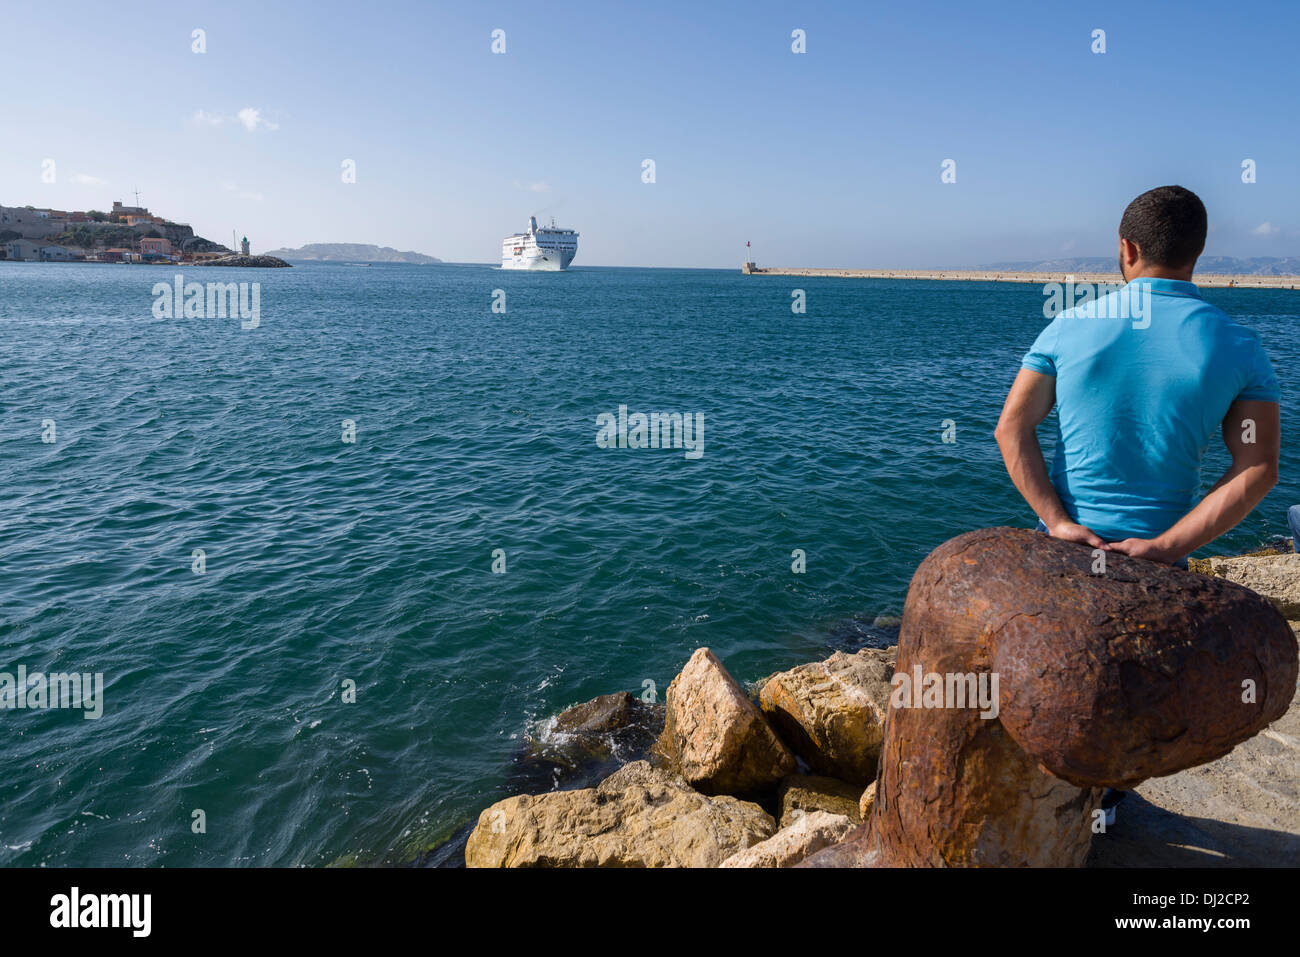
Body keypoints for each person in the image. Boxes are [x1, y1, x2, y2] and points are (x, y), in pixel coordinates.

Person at [995, 185, 1281, 824]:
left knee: (1051, 679)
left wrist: (1057, 521)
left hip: (1067, 555)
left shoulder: (1070, 325)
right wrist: (1166, 546)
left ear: (1126, 248)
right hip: (1157, 568)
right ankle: (1109, 798)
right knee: (1130, 690)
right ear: (1198, 252)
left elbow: (1012, 429)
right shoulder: (1238, 345)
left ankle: (1059, 803)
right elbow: (1258, 467)